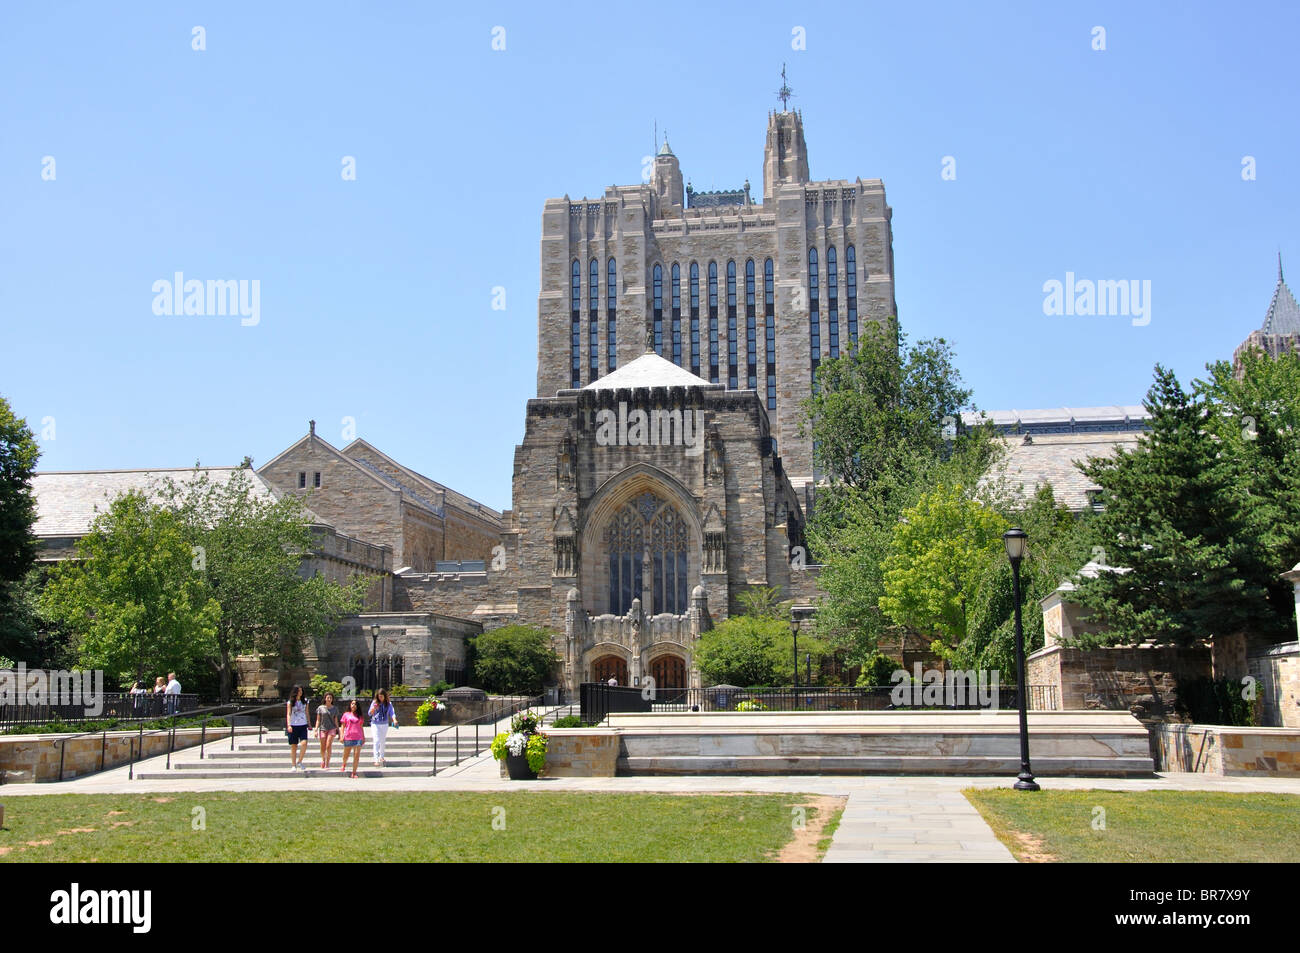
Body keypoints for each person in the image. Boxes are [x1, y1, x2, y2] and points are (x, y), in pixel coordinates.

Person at [367, 689, 398, 767]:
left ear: (384, 696)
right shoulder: (374, 703)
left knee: (382, 740)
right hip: (375, 723)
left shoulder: (388, 704)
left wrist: (394, 720)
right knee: (376, 740)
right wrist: (374, 708)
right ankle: (376, 759)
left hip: (384, 724)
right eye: (379, 696)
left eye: (381, 696)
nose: (380, 698)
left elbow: (392, 712)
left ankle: (382, 756)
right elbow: (369, 713)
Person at [285, 685, 310, 771]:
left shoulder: (305, 701)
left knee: (304, 743)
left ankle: (300, 761)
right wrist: (288, 725)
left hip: (303, 724)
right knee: (294, 746)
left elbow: (307, 713)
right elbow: (288, 714)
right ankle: (293, 764)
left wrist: (309, 724)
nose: (300, 692)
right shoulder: (290, 702)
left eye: (301, 691)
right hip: (293, 725)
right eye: (299, 691)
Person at [339, 698, 365, 778]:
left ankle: (354, 772)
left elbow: (361, 727)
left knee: (356, 755)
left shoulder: (360, 716)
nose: (353, 705)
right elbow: (343, 726)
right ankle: (344, 764)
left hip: (358, 737)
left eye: (355, 704)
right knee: (346, 754)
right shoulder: (346, 714)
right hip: (348, 737)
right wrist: (341, 735)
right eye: (352, 704)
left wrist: (363, 737)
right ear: (350, 705)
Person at [315, 691, 339, 770]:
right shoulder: (320, 708)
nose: (329, 699)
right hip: (323, 728)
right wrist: (316, 729)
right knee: (323, 746)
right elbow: (318, 720)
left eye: (330, 698)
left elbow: (336, 720)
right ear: (325, 699)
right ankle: (323, 759)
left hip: (331, 728)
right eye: (328, 698)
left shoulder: (335, 708)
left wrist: (338, 730)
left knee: (328, 745)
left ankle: (327, 763)